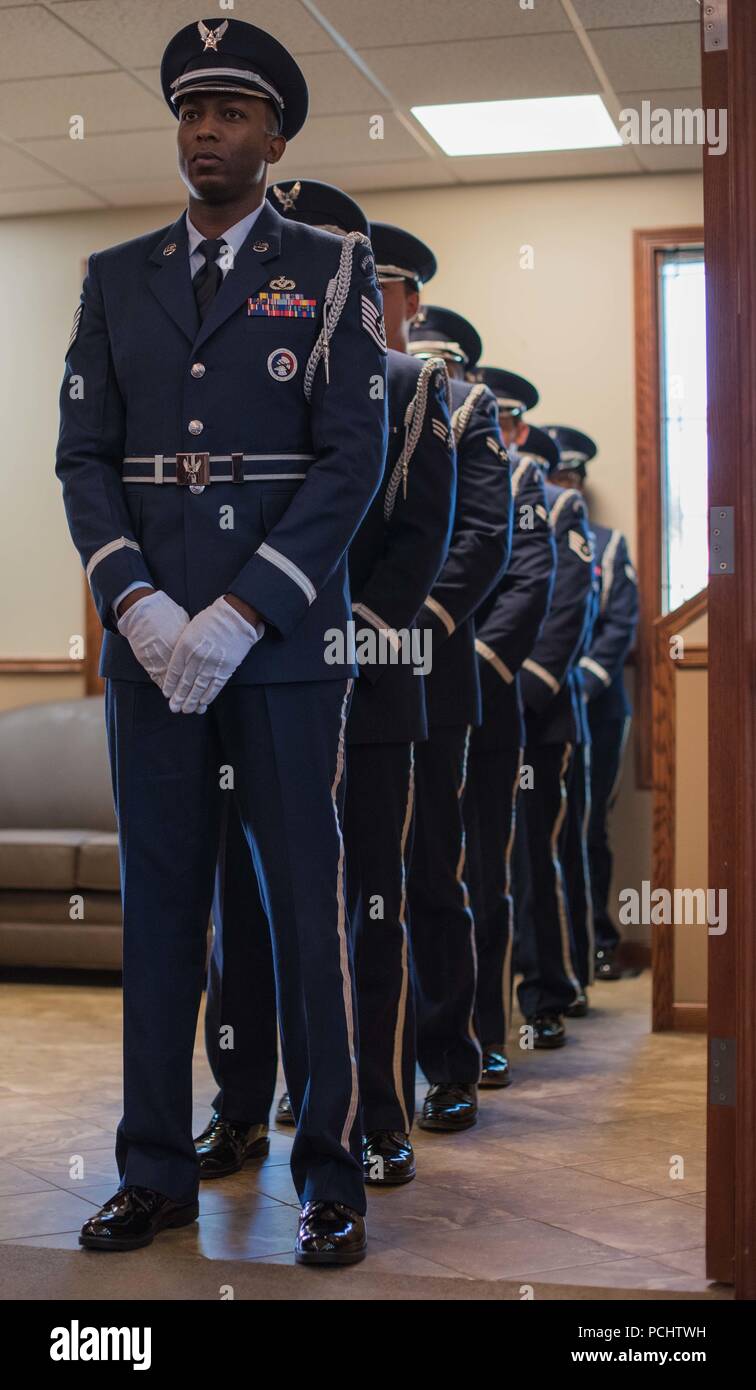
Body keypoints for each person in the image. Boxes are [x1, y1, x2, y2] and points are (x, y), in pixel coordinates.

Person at [56, 18, 388, 1265]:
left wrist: (246, 606)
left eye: (234, 112)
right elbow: (83, 456)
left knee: (307, 914)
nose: (208, 131)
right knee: (161, 918)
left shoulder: (332, 264)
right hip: (152, 657)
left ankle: (329, 1178)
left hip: (285, 652)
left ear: (276, 136)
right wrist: (134, 602)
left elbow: (350, 459)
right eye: (193, 111)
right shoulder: (113, 273)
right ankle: (155, 1172)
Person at [195, 192, 457, 1192]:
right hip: (249, 676)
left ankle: (374, 1114)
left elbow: (415, 544)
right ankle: (238, 1105)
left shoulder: (410, 384)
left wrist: (341, 635)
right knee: (242, 912)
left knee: (361, 913)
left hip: (366, 689)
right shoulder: (232, 382)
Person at [407, 304, 513, 1131]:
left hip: (429, 670)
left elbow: (482, 538)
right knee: (337, 885)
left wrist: (404, 623)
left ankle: (449, 1062)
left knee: (433, 871)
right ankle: (338, 1067)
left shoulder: (468, 412)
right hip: (334, 665)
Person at [463, 373, 556, 1084]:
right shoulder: (383, 442)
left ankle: (479, 1034)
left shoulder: (523, 476)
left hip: (481, 696)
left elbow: (528, 583)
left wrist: (468, 666)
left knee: (480, 871)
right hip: (382, 686)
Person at [512, 427, 595, 1049]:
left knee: (537, 853)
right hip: (471, 709)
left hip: (537, 715)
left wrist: (518, 691)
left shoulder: (558, 502)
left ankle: (549, 990)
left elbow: (566, 609)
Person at [547, 429, 639, 981]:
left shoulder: (608, 544)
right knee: (541, 830)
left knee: (589, 826)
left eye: (573, 479)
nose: (566, 487)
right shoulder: (526, 531)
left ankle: (598, 941)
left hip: (596, 706)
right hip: (536, 704)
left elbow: (620, 626)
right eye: (558, 478)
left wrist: (579, 683)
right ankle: (549, 947)